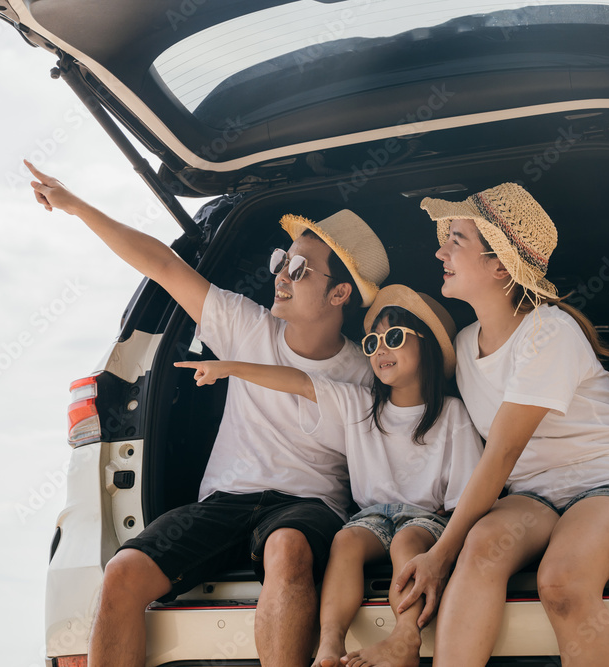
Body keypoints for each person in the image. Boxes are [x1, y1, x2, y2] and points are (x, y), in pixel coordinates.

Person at [25, 159, 390, 667]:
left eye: (300, 269)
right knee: (123, 572)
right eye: (283, 260)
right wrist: (74, 204)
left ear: (340, 293)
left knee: (287, 548)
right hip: (226, 501)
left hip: (308, 507)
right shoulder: (246, 324)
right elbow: (163, 265)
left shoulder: (368, 370)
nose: (282, 275)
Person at [176, 285, 482, 667]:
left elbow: (466, 498)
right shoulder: (360, 405)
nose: (380, 349)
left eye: (394, 337)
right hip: (370, 518)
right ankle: (330, 645)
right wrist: (230, 368)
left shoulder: (452, 414)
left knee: (407, 541)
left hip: (426, 517)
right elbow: (299, 382)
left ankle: (405, 637)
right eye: (371, 343)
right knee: (346, 543)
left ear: (428, 347)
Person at [392, 182, 609, 667]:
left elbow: (501, 453)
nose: (440, 251)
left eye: (456, 240)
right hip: (533, 494)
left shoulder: (549, 330)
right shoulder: (465, 343)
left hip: (605, 482)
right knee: (480, 550)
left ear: (500, 265)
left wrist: (438, 556)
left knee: (561, 581)